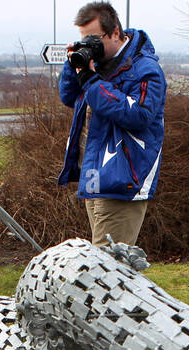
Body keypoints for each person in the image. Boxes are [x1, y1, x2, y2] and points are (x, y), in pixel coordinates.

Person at [57, 3, 166, 248]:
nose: (90, 46)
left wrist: (92, 82)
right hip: (95, 174)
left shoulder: (145, 69)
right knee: (103, 266)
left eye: (95, 39)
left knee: (107, 270)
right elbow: (68, 97)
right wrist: (74, 64)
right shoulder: (100, 64)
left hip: (123, 177)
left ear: (116, 32)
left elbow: (139, 115)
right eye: (84, 40)